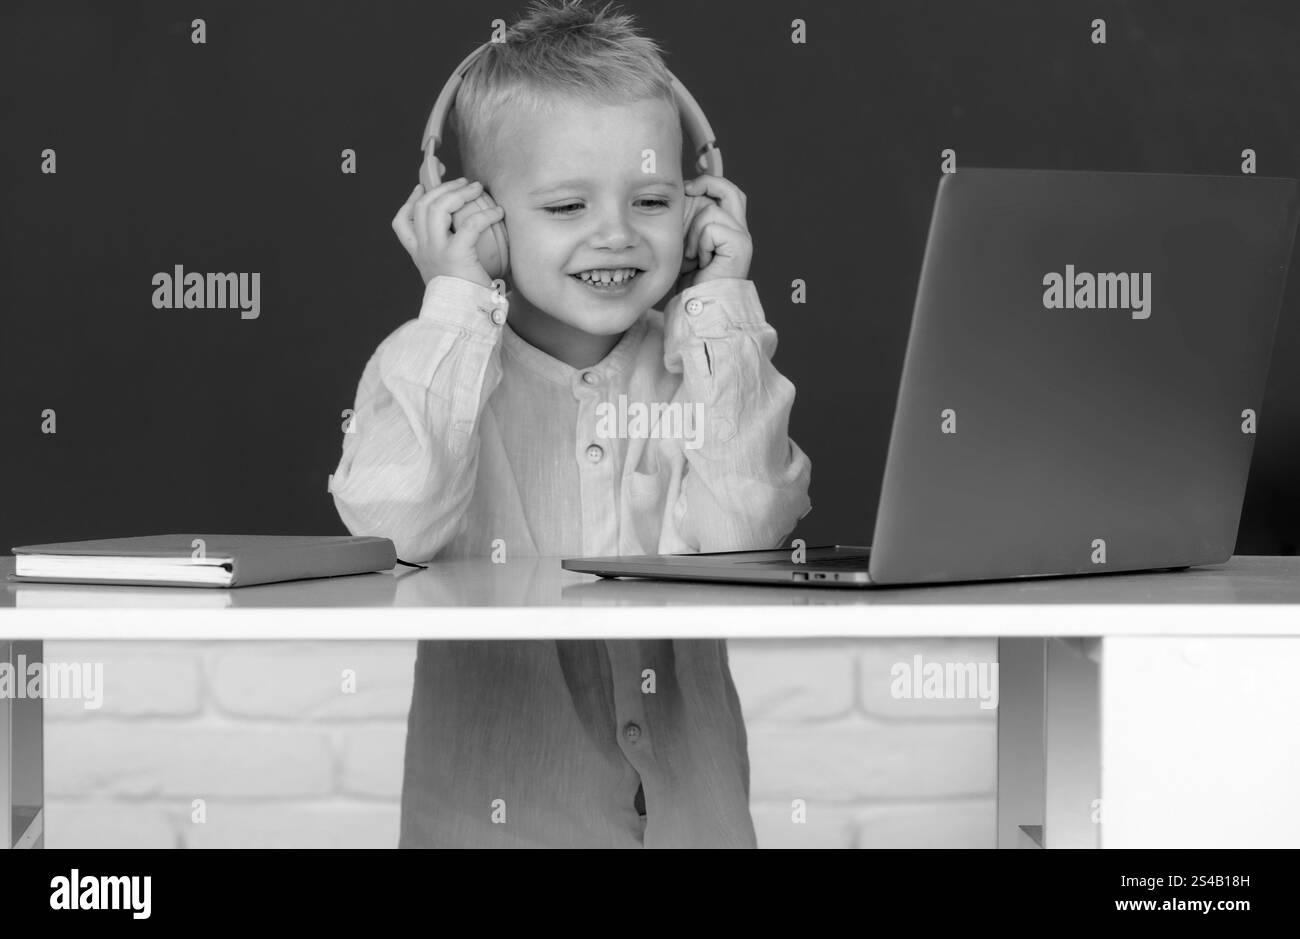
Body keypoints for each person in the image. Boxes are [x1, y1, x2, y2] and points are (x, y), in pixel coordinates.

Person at [329, 0, 811, 847]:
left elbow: (746, 534)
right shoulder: (432, 365)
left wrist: (721, 301)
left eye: (652, 199)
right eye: (565, 207)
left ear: (698, 205)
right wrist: (455, 298)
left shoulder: (706, 363)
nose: (616, 234)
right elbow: (393, 528)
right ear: (474, 214)